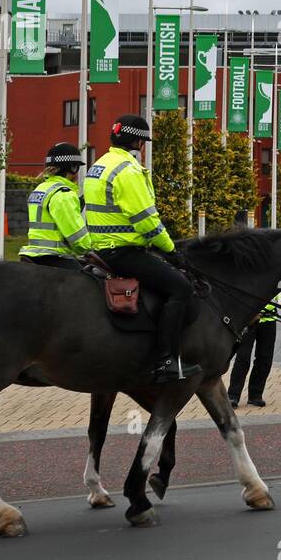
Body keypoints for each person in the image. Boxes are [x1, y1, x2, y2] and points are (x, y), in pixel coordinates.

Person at [84, 114, 199, 382]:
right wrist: (171, 250)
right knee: (180, 287)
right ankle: (165, 361)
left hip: (99, 249)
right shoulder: (128, 170)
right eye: (143, 142)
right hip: (124, 251)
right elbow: (147, 220)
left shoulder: (98, 166)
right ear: (138, 142)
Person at [18, 142, 92, 270]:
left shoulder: (40, 189)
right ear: (73, 168)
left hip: (33, 255)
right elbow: (77, 237)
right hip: (54, 257)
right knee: (92, 282)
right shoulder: (63, 194)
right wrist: (90, 249)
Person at [229, 295, 280, 408]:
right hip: (248, 318)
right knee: (243, 358)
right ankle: (233, 395)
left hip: (269, 318)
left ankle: (255, 395)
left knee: (265, 358)